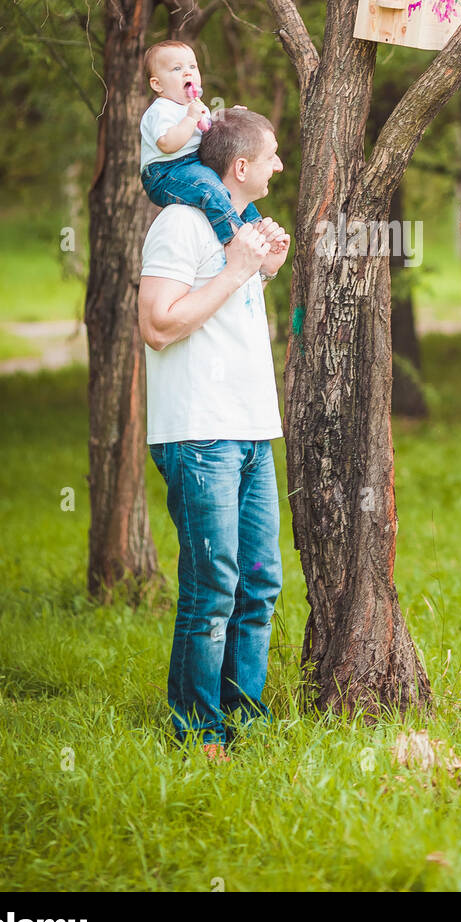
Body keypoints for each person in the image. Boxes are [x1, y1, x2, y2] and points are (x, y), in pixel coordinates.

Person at [138, 108, 290, 760]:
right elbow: (157, 324)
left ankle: (242, 721)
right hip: (201, 434)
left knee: (260, 584)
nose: (281, 165)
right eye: (274, 155)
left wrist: (262, 265)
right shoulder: (179, 224)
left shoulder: (242, 228)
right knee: (212, 589)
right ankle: (196, 732)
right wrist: (233, 270)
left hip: (252, 430)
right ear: (241, 167)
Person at [140, 39, 272, 249]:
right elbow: (167, 144)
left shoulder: (195, 106)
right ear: (157, 84)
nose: (187, 72)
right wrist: (190, 119)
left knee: (230, 187)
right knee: (208, 187)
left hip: (194, 164)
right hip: (165, 171)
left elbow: (211, 134)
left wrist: (231, 117)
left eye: (192, 66)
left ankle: (256, 228)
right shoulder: (161, 110)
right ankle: (233, 237)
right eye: (177, 68)